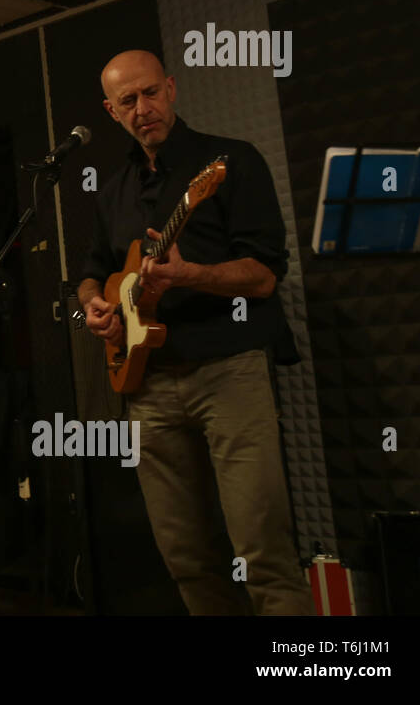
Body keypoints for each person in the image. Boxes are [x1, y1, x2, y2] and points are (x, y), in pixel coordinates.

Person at [78, 49, 313, 615]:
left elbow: (262, 276)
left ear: (172, 88)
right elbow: (90, 272)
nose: (144, 108)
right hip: (148, 385)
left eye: (151, 92)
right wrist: (94, 306)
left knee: (263, 550)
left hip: (228, 370)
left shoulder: (229, 161)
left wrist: (191, 275)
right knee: (183, 555)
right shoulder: (112, 191)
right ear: (111, 112)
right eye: (127, 101)